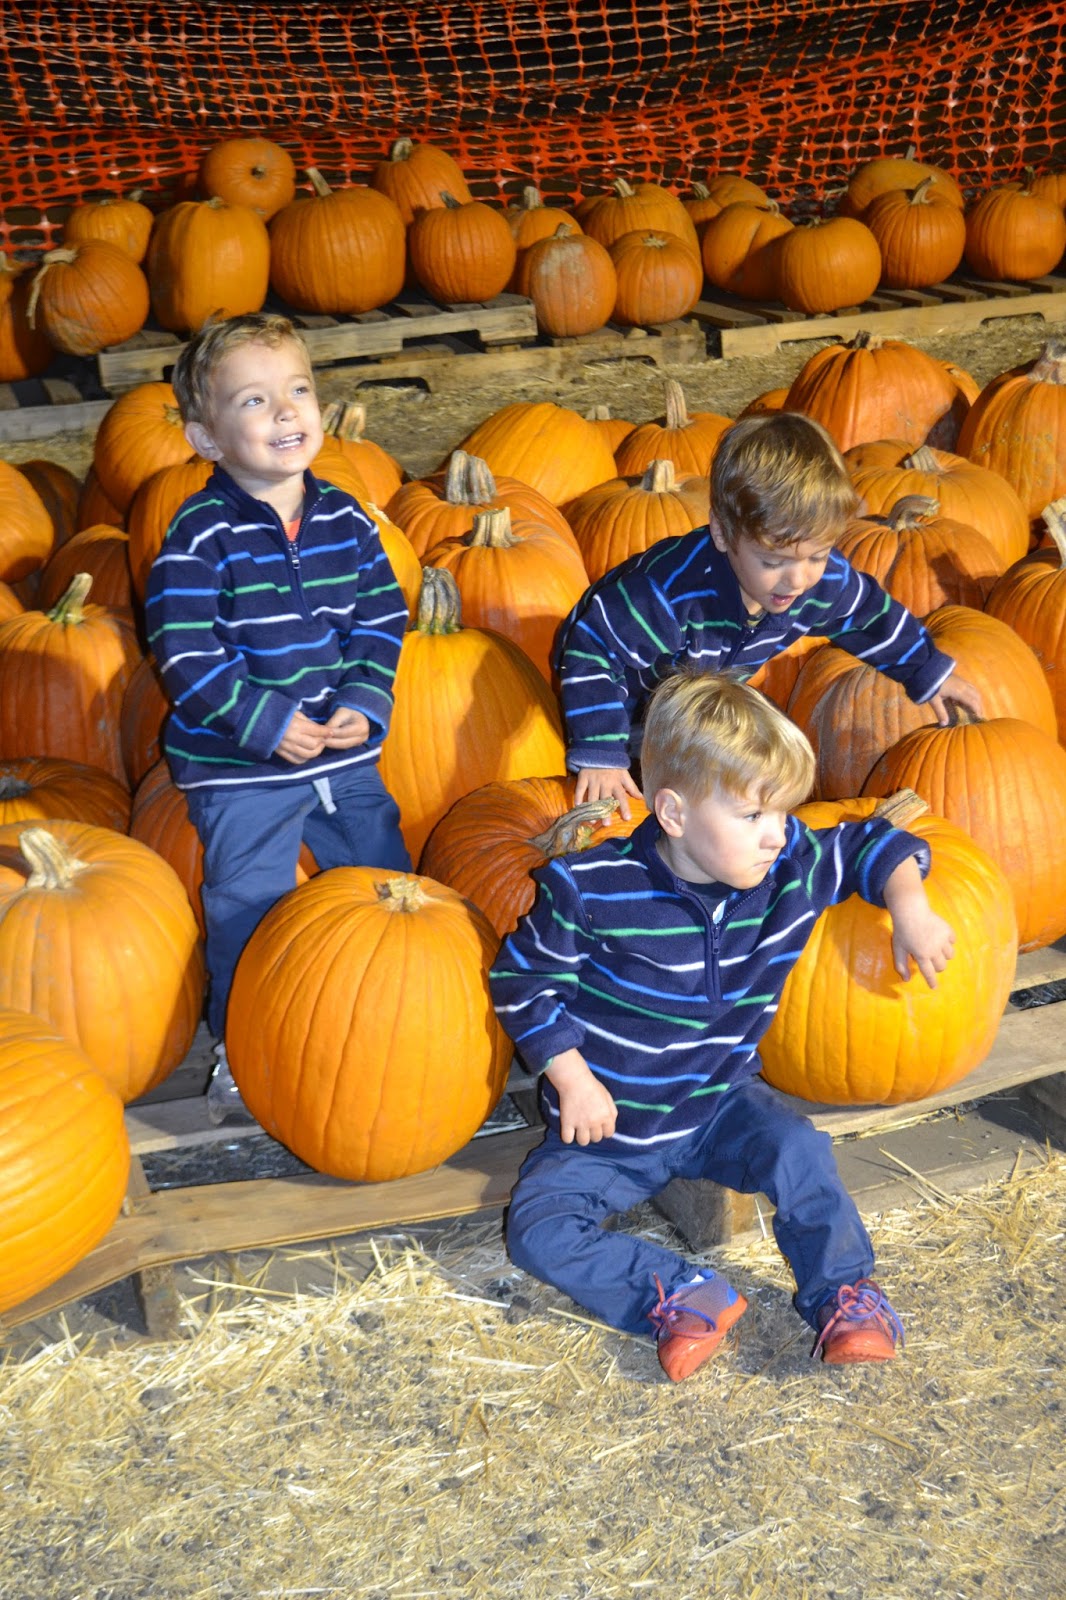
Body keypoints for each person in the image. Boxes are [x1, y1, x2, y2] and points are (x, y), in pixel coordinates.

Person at [490, 669, 955, 1380]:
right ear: (673, 813)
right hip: (608, 1129)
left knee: (797, 1147)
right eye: (751, 817)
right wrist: (571, 1076)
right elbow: (522, 981)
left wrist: (910, 904)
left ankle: (846, 1292)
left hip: (715, 1107)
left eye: (783, 813)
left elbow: (872, 842)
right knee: (538, 1229)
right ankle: (679, 1292)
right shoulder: (589, 890)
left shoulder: (789, 865)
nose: (777, 835)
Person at [144, 312, 410, 1124]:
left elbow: (380, 619)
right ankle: (244, 1043)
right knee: (249, 902)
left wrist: (366, 701)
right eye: (255, 401)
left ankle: (391, 1017)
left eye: (298, 390)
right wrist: (261, 723)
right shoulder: (198, 537)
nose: (287, 412)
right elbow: (184, 653)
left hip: (339, 754)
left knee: (387, 880)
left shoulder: (347, 520)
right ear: (207, 437)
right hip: (240, 764)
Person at [554, 411, 983, 818]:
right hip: (622, 690)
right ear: (722, 533)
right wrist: (601, 752)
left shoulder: (818, 581)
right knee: (645, 791)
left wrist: (927, 671)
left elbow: (868, 614)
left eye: (817, 555)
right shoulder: (669, 594)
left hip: (697, 684)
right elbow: (594, 647)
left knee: (744, 771)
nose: (796, 581)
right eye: (773, 562)